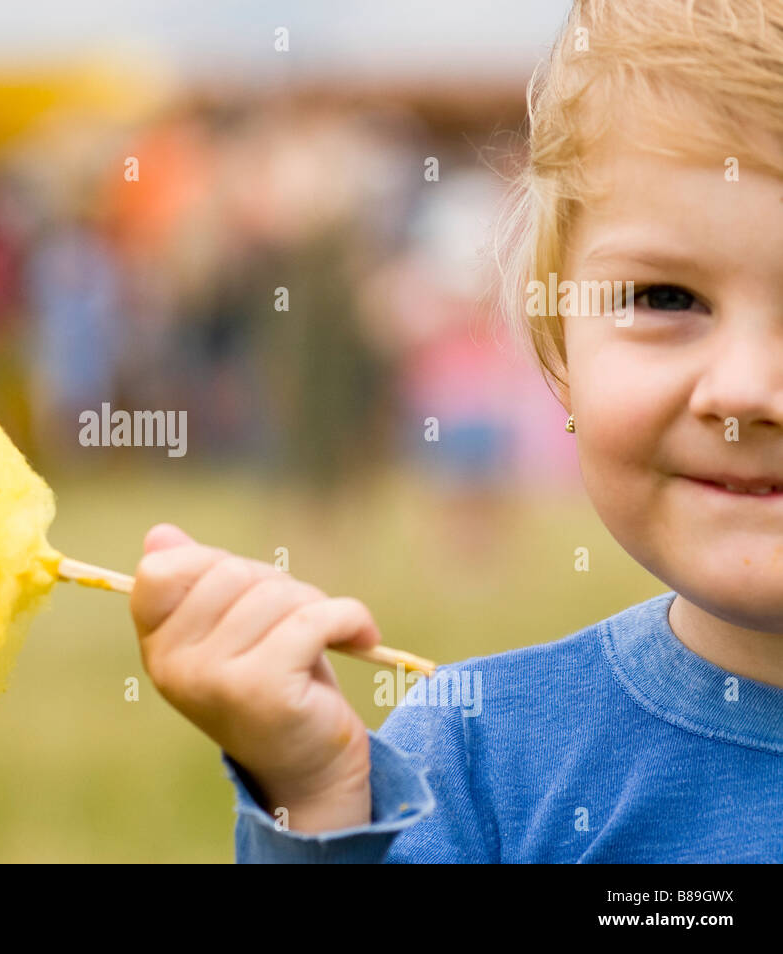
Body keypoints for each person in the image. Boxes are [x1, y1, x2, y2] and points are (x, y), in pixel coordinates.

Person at [128, 0, 783, 862]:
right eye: (665, 298)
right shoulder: (477, 764)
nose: (744, 390)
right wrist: (320, 807)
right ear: (558, 343)